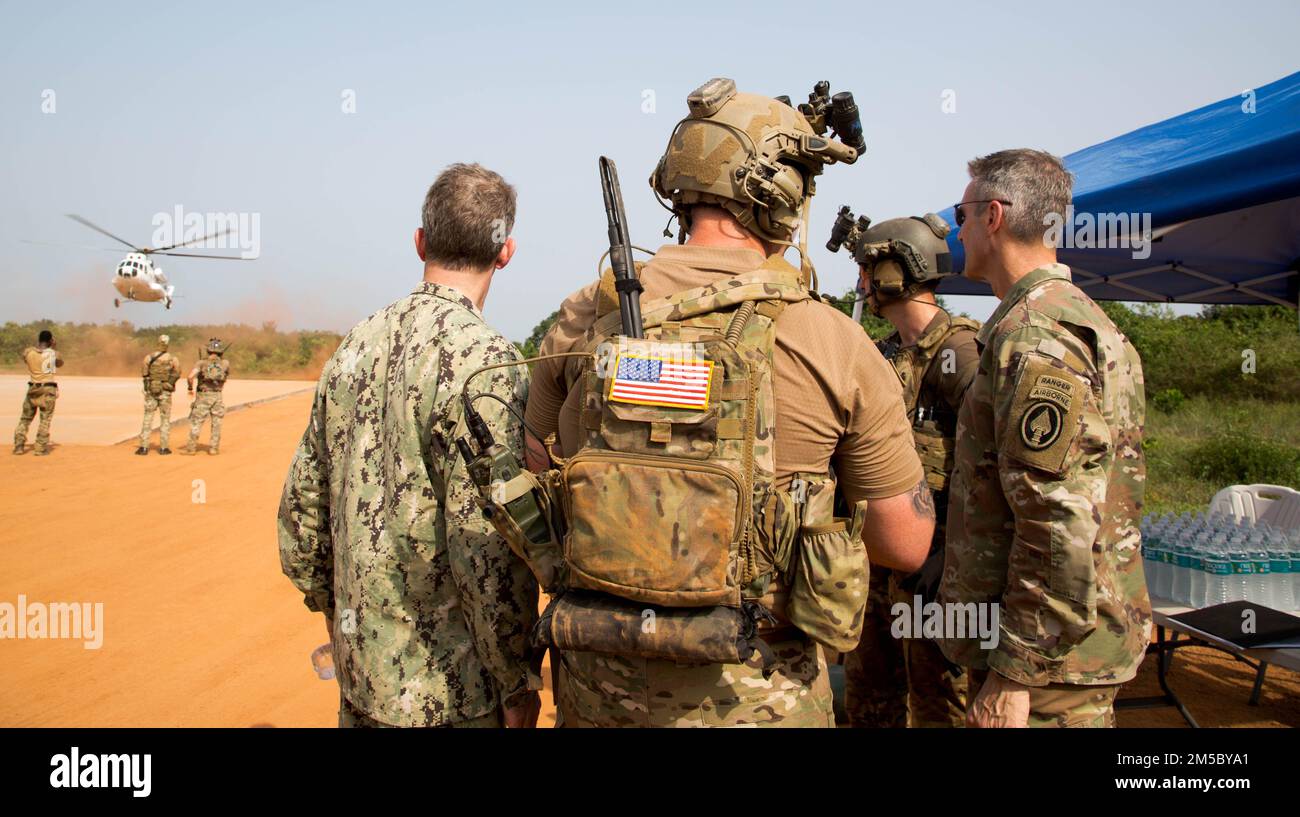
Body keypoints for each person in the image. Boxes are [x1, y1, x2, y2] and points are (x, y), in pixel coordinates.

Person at [524, 79, 934, 727]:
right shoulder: (834, 340)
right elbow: (905, 543)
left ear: (678, 184)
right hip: (760, 699)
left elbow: (534, 459)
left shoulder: (586, 316)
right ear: (781, 196)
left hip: (598, 698)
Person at [278, 163, 541, 728]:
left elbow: (303, 512)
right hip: (458, 697)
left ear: (420, 241)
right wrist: (515, 680)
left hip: (362, 682)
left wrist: (337, 617)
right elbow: (487, 548)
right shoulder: (491, 363)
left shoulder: (354, 346)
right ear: (506, 252)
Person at [938, 148, 1150, 728]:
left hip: (1048, 665)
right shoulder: (1071, 319)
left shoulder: (1035, 336)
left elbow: (1057, 521)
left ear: (994, 216)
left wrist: (1015, 671)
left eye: (961, 215)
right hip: (1065, 645)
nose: (958, 230)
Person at [838, 214, 980, 728]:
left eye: (867, 271)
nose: (861, 285)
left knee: (940, 699)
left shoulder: (960, 353)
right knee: (870, 696)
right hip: (877, 562)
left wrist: (953, 554)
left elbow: (990, 466)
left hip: (937, 568)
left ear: (897, 272)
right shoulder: (881, 355)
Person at [13, 329, 62, 456]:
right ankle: (40, 449)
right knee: (45, 419)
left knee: (25, 418)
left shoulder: (28, 352)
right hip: (48, 389)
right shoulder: (54, 353)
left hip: (32, 388)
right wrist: (54, 348)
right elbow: (59, 363)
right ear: (51, 340)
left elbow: (26, 357)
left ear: (39, 340)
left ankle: (19, 446)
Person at [183, 339, 230, 455]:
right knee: (216, 423)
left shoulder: (201, 363)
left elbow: (190, 377)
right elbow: (226, 376)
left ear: (208, 350)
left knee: (196, 423)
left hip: (203, 395)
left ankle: (191, 448)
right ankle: (214, 448)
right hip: (217, 395)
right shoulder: (225, 363)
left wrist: (190, 389)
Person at [137, 334, 181, 455]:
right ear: (167, 345)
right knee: (165, 420)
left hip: (151, 391)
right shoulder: (173, 358)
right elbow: (177, 373)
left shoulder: (149, 357)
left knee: (147, 418)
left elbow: (145, 374)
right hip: (165, 393)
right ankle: (163, 448)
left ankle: (144, 447)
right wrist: (168, 384)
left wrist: (149, 386)